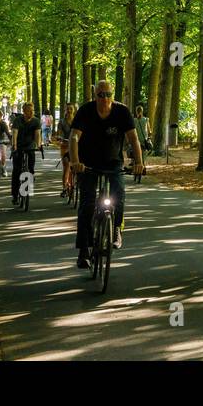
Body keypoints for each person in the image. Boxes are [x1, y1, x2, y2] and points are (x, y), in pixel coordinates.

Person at [69, 80, 143, 268]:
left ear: (113, 96)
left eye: (108, 95)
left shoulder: (122, 112)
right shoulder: (85, 111)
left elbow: (133, 139)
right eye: (101, 95)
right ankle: (84, 250)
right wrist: (75, 161)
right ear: (95, 96)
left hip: (113, 163)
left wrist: (139, 162)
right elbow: (74, 137)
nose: (105, 98)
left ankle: (117, 227)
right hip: (87, 164)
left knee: (119, 193)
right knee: (87, 204)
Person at [11, 102, 43, 207]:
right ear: (24, 111)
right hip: (19, 145)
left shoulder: (36, 121)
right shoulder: (17, 120)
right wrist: (14, 145)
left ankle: (30, 178)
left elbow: (37, 134)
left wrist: (38, 146)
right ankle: (15, 195)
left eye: (32, 110)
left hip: (30, 146)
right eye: (29, 111)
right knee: (16, 170)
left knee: (31, 167)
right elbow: (14, 133)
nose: (32, 112)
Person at [54, 102, 76, 197]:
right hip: (65, 146)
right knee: (66, 166)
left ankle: (75, 184)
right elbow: (59, 133)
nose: (69, 110)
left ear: (74, 110)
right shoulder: (62, 122)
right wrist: (59, 137)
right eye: (68, 109)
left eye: (71, 109)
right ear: (65, 110)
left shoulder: (77, 121)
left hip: (75, 146)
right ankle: (64, 188)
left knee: (76, 165)